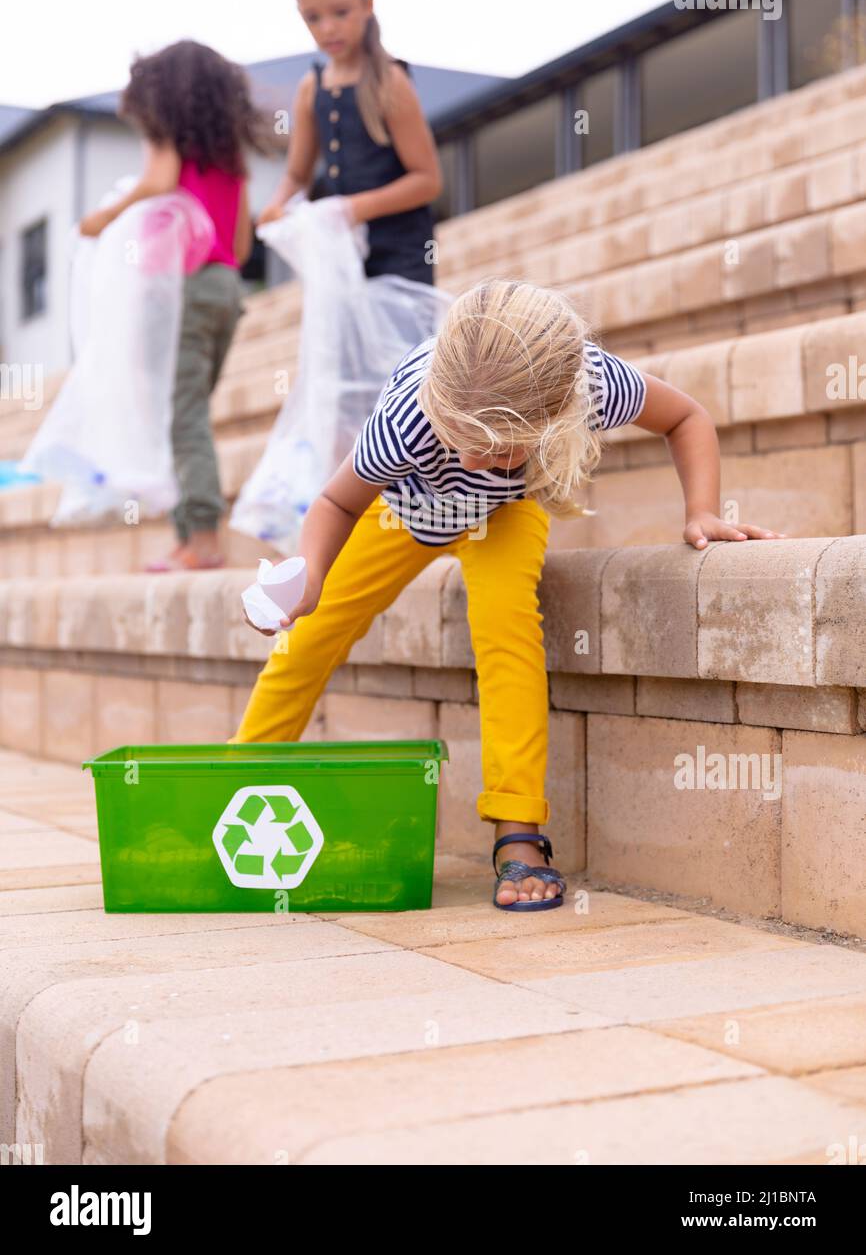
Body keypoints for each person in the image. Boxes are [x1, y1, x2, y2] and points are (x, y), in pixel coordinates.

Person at [229, 279, 786, 912]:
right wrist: (311, 575)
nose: (469, 459)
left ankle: (518, 831)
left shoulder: (592, 384)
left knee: (507, 631)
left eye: (494, 449)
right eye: (458, 440)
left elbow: (686, 418)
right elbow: (334, 502)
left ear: (554, 415)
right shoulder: (407, 417)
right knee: (313, 633)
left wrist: (703, 511)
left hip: (506, 514)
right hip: (401, 515)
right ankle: (240, 773)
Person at [80, 39, 267, 570]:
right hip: (226, 288)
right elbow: (243, 243)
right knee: (187, 413)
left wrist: (105, 218)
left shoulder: (167, 138)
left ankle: (203, 538)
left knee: (180, 416)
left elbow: (159, 182)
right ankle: (189, 536)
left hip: (185, 288)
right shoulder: (230, 155)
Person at [257, 0, 442, 284]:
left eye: (340, 12)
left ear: (367, 6)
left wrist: (353, 210)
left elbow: (428, 180)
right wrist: (278, 203)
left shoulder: (391, 82)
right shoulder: (310, 89)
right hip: (343, 259)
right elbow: (298, 175)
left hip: (402, 257)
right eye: (313, 17)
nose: (327, 28)